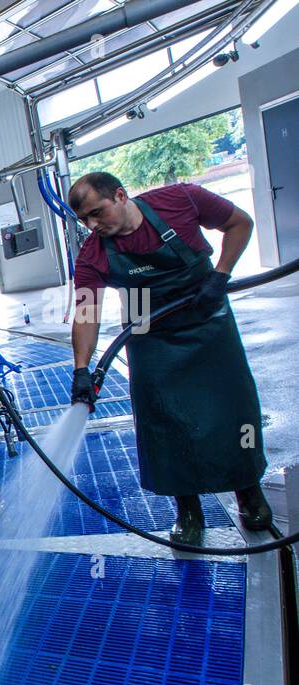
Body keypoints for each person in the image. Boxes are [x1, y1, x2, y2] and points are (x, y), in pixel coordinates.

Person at [67, 172, 271, 545]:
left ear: (120, 195)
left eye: (98, 213)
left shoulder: (181, 200)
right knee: (163, 418)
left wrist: (220, 276)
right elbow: (86, 313)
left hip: (204, 311)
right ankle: (188, 509)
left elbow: (240, 223)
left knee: (233, 410)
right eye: (85, 221)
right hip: (148, 325)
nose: (94, 226)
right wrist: (82, 370)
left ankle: (248, 490)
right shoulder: (93, 254)